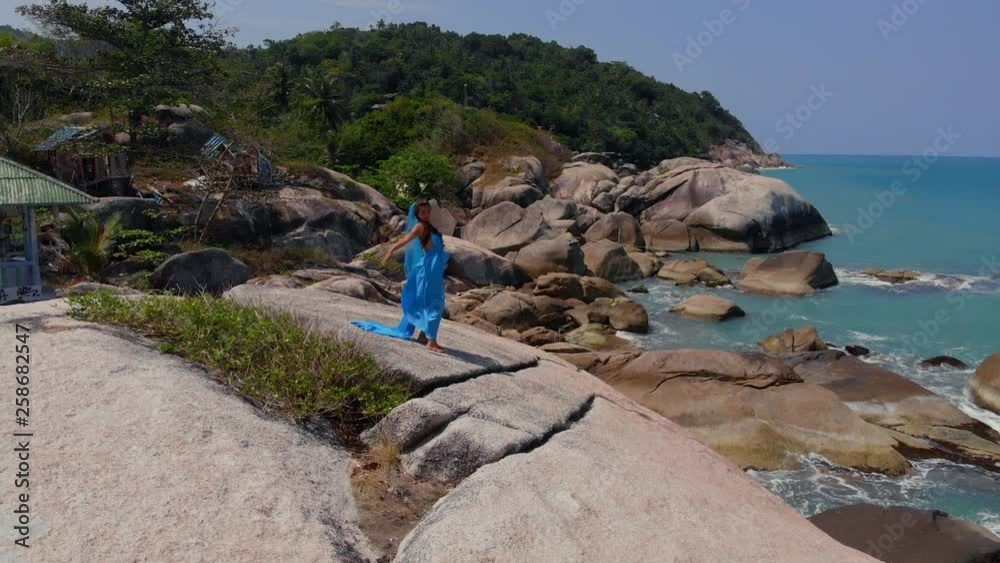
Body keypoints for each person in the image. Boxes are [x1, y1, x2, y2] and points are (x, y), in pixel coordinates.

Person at [351, 201, 450, 353]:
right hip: (429, 267)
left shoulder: (430, 227)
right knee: (435, 301)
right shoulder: (420, 227)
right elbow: (406, 239)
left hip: (435, 267)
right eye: (423, 212)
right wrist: (391, 249)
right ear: (417, 215)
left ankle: (424, 335)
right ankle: (432, 341)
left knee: (427, 300)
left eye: (428, 212)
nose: (426, 215)